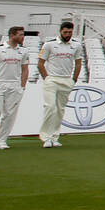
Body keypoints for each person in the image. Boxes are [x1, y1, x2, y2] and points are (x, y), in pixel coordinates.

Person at [0, 25, 28, 150]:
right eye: (20, 35)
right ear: (12, 35)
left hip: (14, 85)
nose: (22, 37)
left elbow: (25, 69)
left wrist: (22, 86)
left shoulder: (23, 51)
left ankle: (1, 141)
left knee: (9, 115)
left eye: (23, 35)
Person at [37, 20, 82, 148]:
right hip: (52, 79)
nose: (68, 34)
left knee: (60, 110)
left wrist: (74, 79)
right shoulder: (49, 45)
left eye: (70, 32)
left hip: (66, 80)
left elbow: (78, 63)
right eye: (65, 32)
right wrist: (46, 78)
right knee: (50, 107)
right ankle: (46, 137)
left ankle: (55, 136)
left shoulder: (76, 45)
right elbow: (40, 63)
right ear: (60, 31)